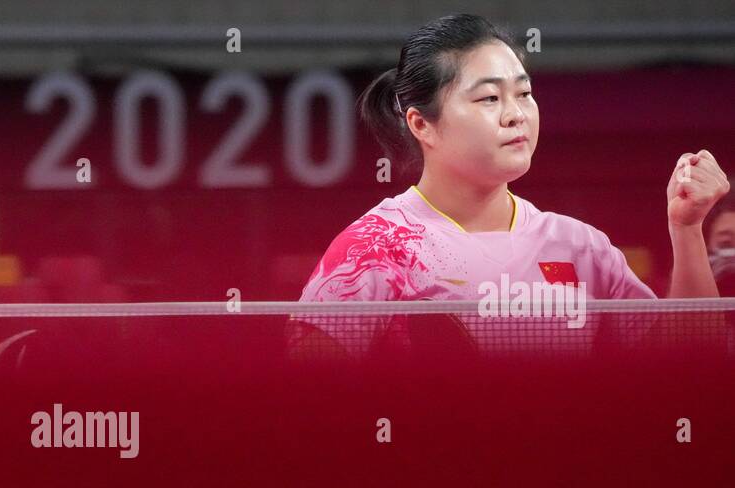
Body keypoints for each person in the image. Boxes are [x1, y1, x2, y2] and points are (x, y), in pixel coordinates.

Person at [293, 13, 730, 355]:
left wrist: (687, 228)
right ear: (422, 124)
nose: (516, 114)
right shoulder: (375, 250)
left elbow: (687, 367)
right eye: (489, 98)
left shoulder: (581, 247)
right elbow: (307, 399)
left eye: (524, 93)